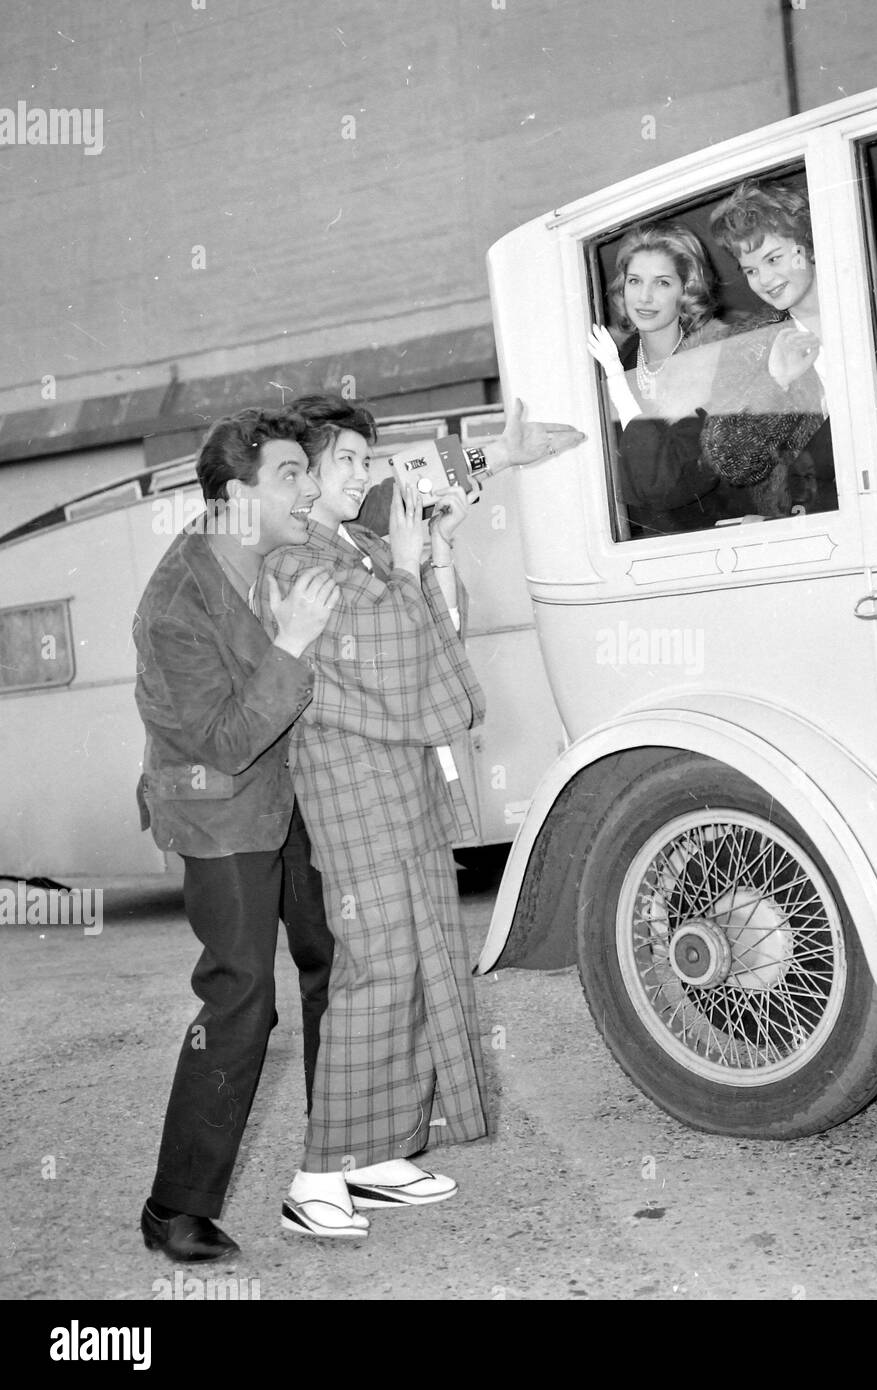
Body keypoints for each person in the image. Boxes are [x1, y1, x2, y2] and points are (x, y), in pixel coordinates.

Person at [259, 395, 583, 1238]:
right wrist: (406, 568)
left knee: (414, 965)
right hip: (353, 790)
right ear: (305, 479)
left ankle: (377, 1154)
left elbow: (437, 630)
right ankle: (316, 1175)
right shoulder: (297, 563)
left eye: (367, 462)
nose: (364, 476)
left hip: (394, 787)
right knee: (375, 974)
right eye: (347, 464)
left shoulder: (355, 550)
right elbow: (392, 655)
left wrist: (432, 556)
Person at [135, 407, 340, 1262]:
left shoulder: (271, 551)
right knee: (241, 996)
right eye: (291, 475)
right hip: (219, 814)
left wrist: (495, 454)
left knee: (336, 959)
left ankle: (340, 1156)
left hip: (287, 798)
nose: (314, 488)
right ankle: (175, 1205)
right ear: (233, 498)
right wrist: (293, 644)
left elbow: (383, 498)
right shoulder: (175, 607)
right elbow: (221, 739)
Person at [587, 223, 742, 537]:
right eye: (634, 281)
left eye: (662, 283)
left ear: (686, 290)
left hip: (708, 541)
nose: (644, 296)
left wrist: (617, 382)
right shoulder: (611, 363)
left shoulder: (712, 360)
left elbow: (666, 483)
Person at [699, 179, 835, 517]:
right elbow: (730, 463)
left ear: (809, 245)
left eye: (773, 258)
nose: (764, 279)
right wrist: (775, 384)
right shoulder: (746, 343)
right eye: (751, 270)